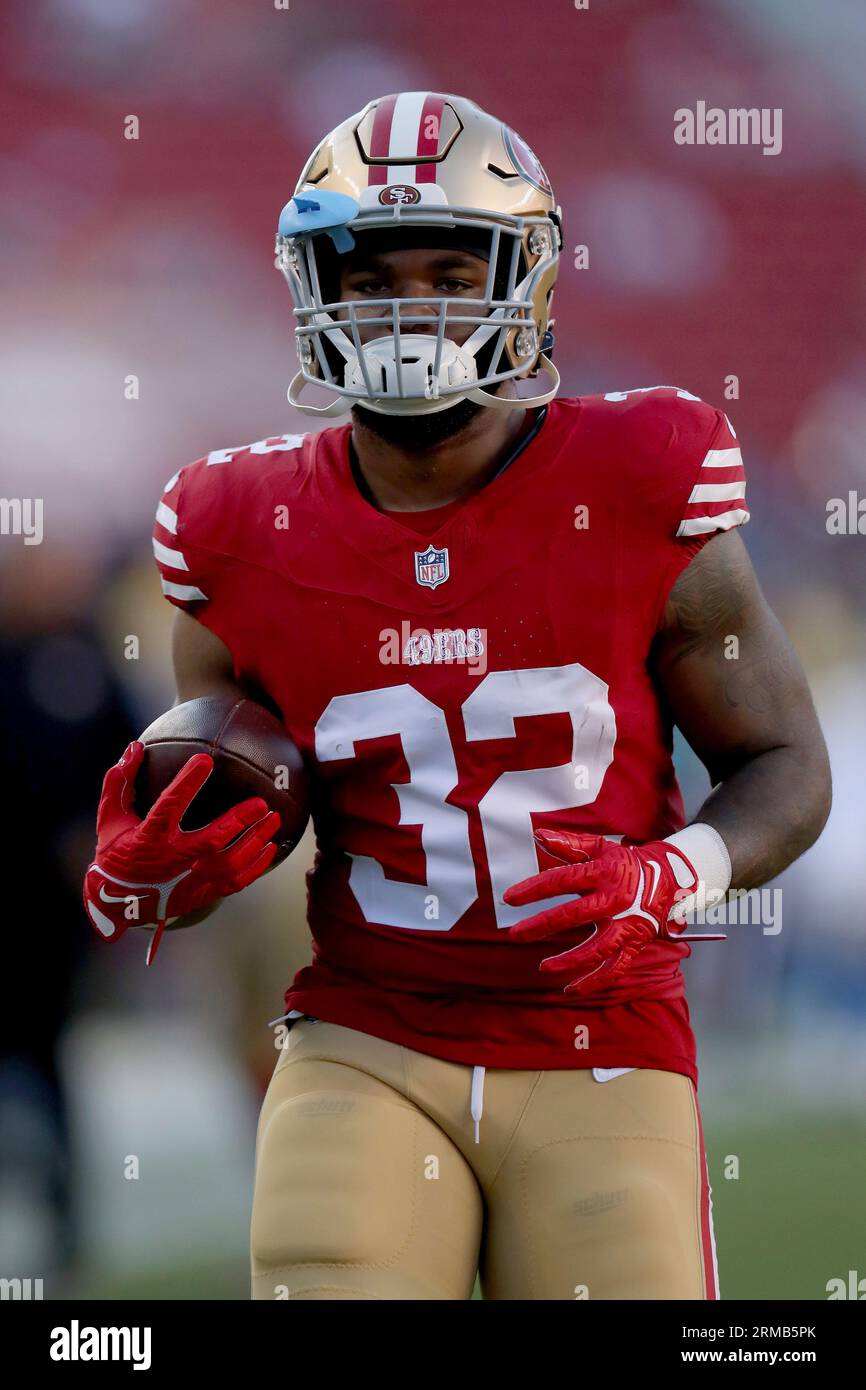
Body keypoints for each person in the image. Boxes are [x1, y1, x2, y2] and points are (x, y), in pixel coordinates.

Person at [84, 93, 831, 1300]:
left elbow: (786, 766)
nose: (410, 307)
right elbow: (238, 792)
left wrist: (672, 872)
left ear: (523, 278)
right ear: (316, 287)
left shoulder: (643, 471)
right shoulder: (232, 527)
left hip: (599, 1033)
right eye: (373, 276)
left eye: (448, 267)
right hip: (367, 1031)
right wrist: (163, 865)